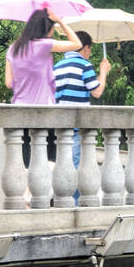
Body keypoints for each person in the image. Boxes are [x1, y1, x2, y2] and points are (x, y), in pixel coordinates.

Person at [5, 6, 87, 167]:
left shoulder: (13, 48)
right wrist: (60, 21)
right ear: (46, 30)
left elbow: (8, 82)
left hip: (20, 113)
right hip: (45, 111)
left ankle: (29, 192)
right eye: (51, 29)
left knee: (27, 162)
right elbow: (76, 44)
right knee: (49, 161)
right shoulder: (44, 45)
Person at [54, 30, 111, 203]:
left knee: (64, 163)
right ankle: (75, 204)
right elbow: (97, 92)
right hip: (77, 125)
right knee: (76, 165)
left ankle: (63, 200)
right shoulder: (84, 65)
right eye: (90, 49)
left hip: (60, 124)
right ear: (85, 48)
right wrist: (103, 71)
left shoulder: (57, 66)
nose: (90, 53)